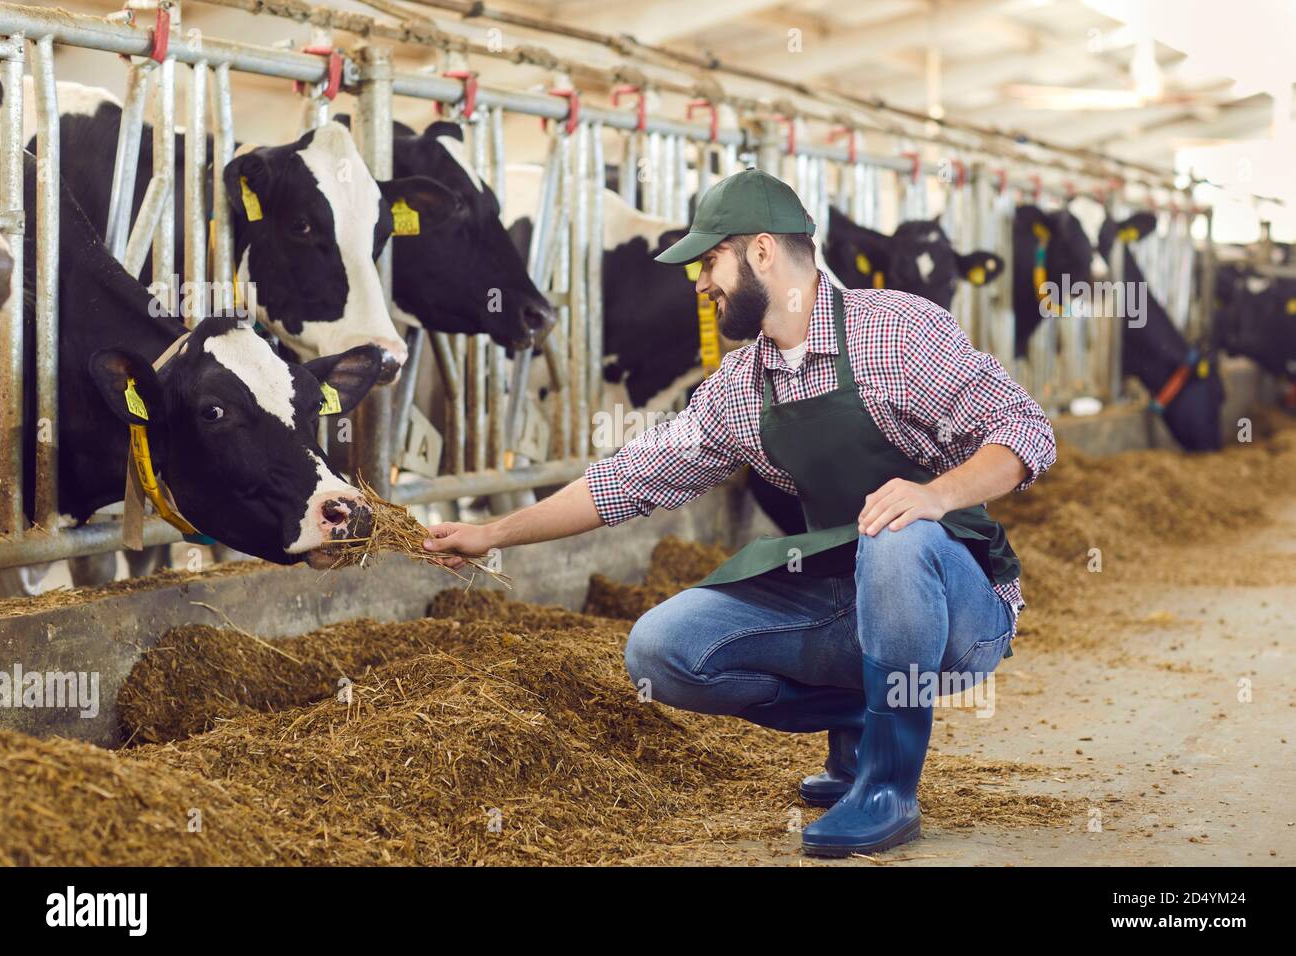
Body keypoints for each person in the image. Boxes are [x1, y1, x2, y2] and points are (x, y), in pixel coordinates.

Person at [424, 167, 1056, 856]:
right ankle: (858, 710)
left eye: (709, 261)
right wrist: (491, 534)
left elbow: (1025, 432)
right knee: (659, 651)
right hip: (848, 600)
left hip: (958, 611)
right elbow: (625, 480)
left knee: (897, 538)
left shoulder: (896, 332)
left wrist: (934, 496)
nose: (699, 283)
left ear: (761, 252)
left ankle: (886, 786)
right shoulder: (740, 387)